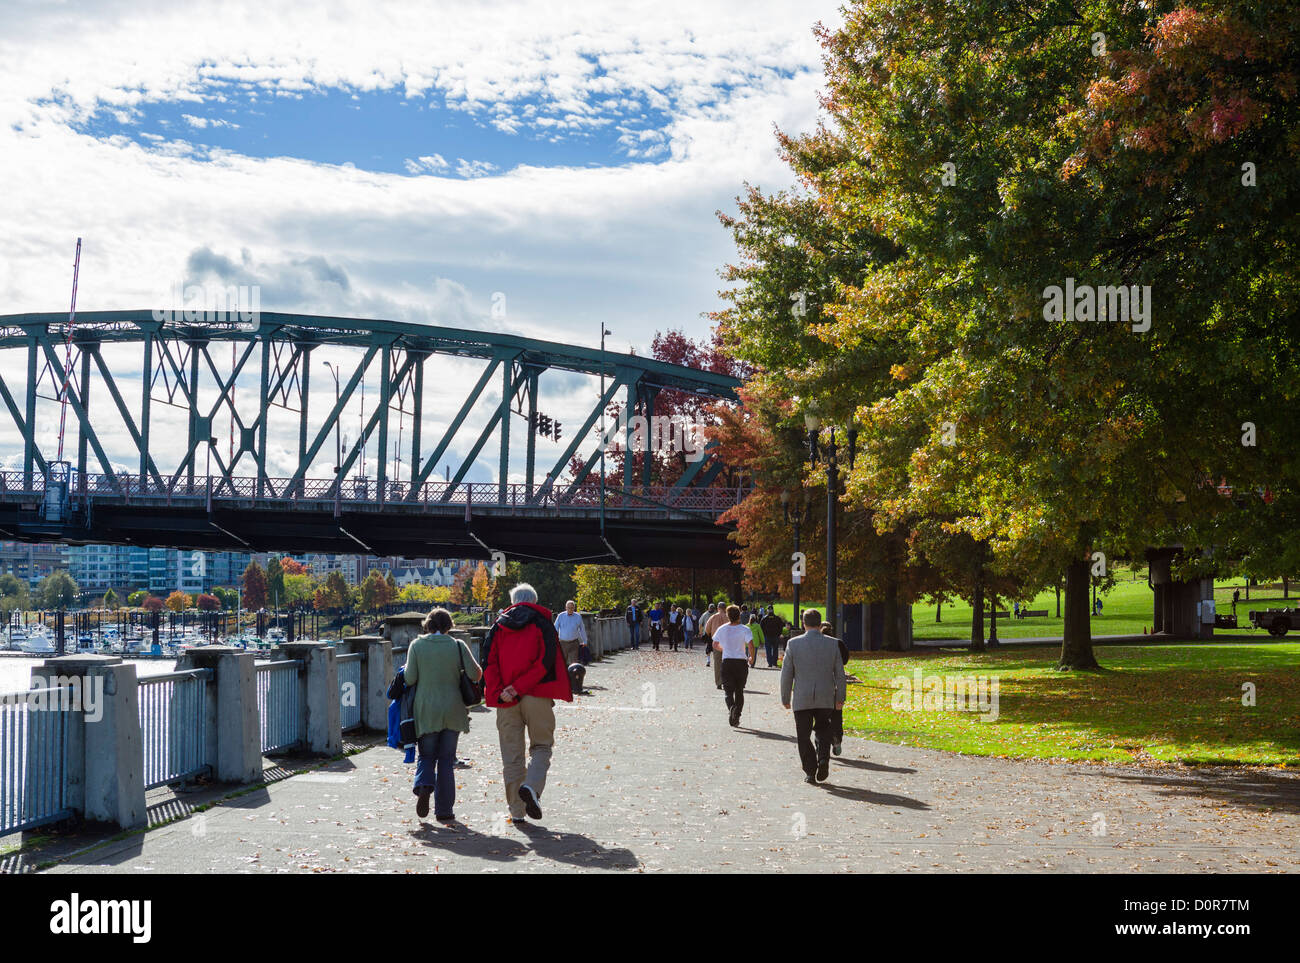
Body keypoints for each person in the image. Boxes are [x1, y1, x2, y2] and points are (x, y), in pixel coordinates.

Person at [483, 583, 573, 824]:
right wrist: (519, 687)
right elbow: (545, 662)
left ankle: (516, 811)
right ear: (534, 600)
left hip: (506, 700)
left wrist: (505, 690)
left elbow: (489, 663)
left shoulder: (498, 626)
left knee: (511, 757)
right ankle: (532, 786)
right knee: (541, 747)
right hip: (537, 695)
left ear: (512, 600)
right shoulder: (542, 623)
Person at [401, 607, 482, 824]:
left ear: (428, 624)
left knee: (426, 755)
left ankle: (424, 785)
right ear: (449, 625)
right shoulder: (457, 645)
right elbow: (475, 674)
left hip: (426, 709)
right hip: (453, 709)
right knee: (446, 759)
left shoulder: (417, 645)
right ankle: (444, 810)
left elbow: (409, 679)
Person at [781, 610, 847, 784]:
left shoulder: (793, 644)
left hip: (802, 696)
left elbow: (787, 673)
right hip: (826, 695)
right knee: (823, 728)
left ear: (804, 624)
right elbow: (840, 673)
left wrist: (785, 697)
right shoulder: (833, 644)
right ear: (820, 624)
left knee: (803, 735)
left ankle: (810, 770)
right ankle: (823, 758)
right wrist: (840, 696)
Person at [712, 604, 754, 726]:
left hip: (727, 662)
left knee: (728, 691)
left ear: (728, 616)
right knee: (739, 690)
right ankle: (737, 715)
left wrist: (724, 649)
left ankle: (731, 708)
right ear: (739, 616)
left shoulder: (722, 629)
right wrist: (751, 657)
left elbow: (715, 644)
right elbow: (750, 644)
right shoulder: (745, 629)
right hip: (741, 662)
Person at [821, 621, 850, 756]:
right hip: (836, 683)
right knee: (837, 713)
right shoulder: (838, 643)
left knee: (822, 715)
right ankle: (837, 738)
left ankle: (823, 742)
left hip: (821, 684)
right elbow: (845, 660)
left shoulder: (818, 644)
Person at [554, 600, 588, 691]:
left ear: (574, 608)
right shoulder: (561, 616)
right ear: (566, 608)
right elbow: (555, 628)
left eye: (572, 607)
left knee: (574, 663)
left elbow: (582, 629)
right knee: (562, 662)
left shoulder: (578, 617)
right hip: (563, 642)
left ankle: (574, 683)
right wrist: (554, 640)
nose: (570, 609)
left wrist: (584, 640)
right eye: (569, 607)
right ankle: (561, 681)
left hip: (574, 642)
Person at [703, 603, 729, 690]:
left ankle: (718, 682)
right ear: (725, 608)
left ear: (718, 608)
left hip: (716, 642)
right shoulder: (727, 617)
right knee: (727, 662)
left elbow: (707, 629)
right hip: (726, 642)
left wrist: (711, 634)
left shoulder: (713, 617)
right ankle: (726, 681)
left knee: (717, 662)